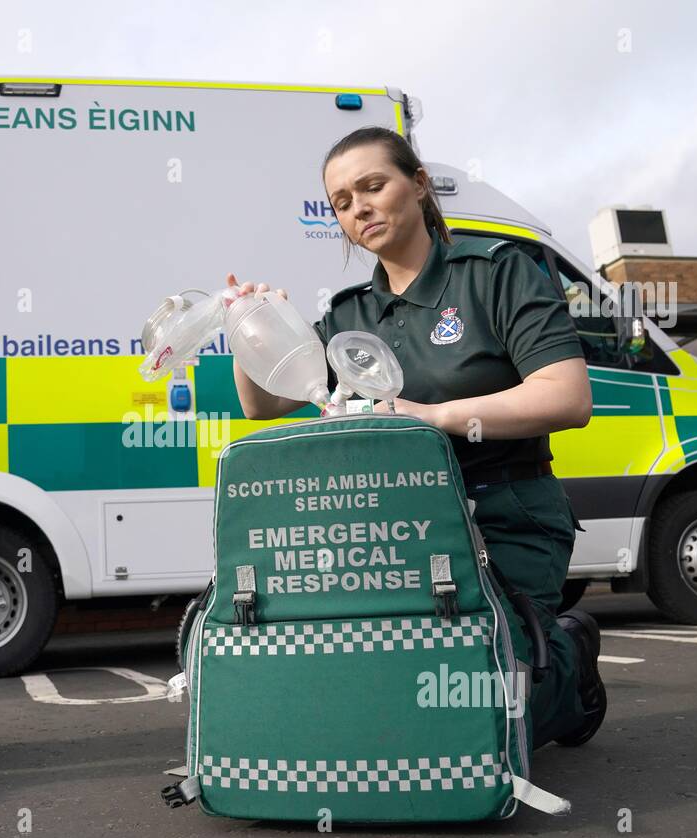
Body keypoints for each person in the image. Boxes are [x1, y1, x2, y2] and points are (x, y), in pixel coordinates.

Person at [227, 126, 607, 749]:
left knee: (490, 707)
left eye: (373, 186)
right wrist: (252, 330)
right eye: (343, 202)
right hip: (394, 521)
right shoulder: (348, 314)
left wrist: (430, 417)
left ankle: (565, 655)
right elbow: (261, 405)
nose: (360, 208)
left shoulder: (496, 273)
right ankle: (540, 653)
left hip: (505, 510)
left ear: (420, 183)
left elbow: (567, 398)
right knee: (414, 690)